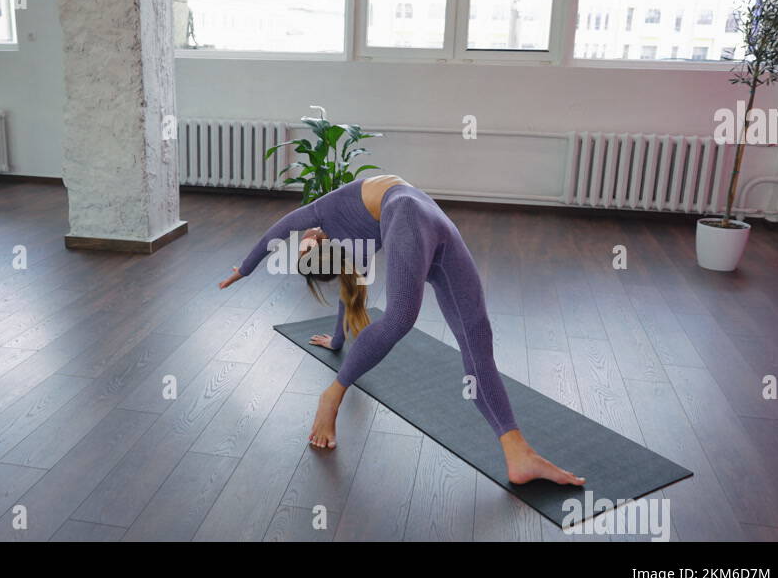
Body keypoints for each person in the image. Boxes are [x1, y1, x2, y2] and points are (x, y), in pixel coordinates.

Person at [219, 175, 585, 486]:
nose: (303, 238)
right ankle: (518, 454)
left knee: (476, 335)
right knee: (405, 318)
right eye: (305, 247)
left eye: (303, 245)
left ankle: (517, 453)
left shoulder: (328, 214)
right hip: (423, 216)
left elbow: (278, 230)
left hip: (421, 216)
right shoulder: (345, 243)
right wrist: (337, 339)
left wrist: (244, 268)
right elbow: (349, 294)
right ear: (317, 244)